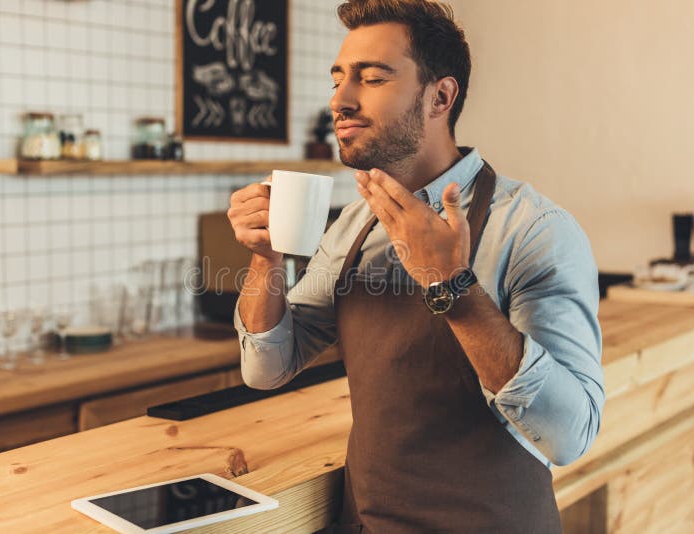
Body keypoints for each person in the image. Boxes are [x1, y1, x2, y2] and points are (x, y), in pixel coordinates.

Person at [227, 1, 604, 532]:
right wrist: (265, 256)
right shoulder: (354, 225)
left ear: (440, 97)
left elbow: (570, 435)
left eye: (372, 78)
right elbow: (267, 368)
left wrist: (453, 287)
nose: (341, 99)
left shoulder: (533, 228)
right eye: (338, 79)